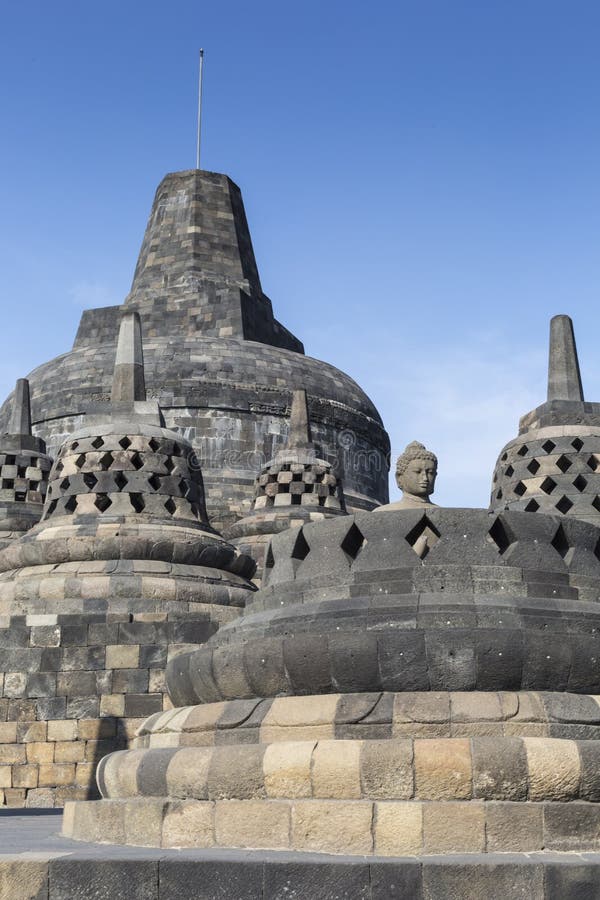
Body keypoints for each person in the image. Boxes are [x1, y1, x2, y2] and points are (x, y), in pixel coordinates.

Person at [375, 441, 438, 511]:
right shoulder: (384, 512)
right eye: (417, 472)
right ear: (399, 478)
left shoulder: (441, 513)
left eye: (430, 473)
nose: (425, 478)